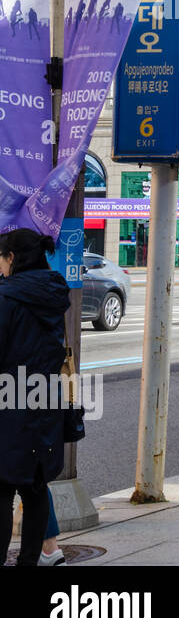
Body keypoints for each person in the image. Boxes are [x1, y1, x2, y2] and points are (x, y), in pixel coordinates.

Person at [0, 228, 70, 566]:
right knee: (36, 485)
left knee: (2, 491)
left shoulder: (6, 297)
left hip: (9, 405)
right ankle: (30, 561)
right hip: (45, 401)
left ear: (12, 258)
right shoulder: (55, 293)